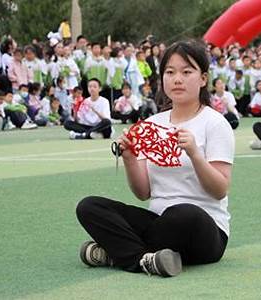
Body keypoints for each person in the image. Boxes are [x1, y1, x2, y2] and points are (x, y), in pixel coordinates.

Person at [76, 40, 235, 277]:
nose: (177, 79)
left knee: (184, 214)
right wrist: (130, 157)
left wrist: (194, 154)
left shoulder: (215, 123)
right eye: (170, 72)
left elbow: (220, 189)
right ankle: (145, 260)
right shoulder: (152, 124)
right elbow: (143, 193)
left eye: (186, 72)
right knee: (89, 206)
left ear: (203, 79)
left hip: (202, 229)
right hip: (158, 221)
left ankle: (118, 254)